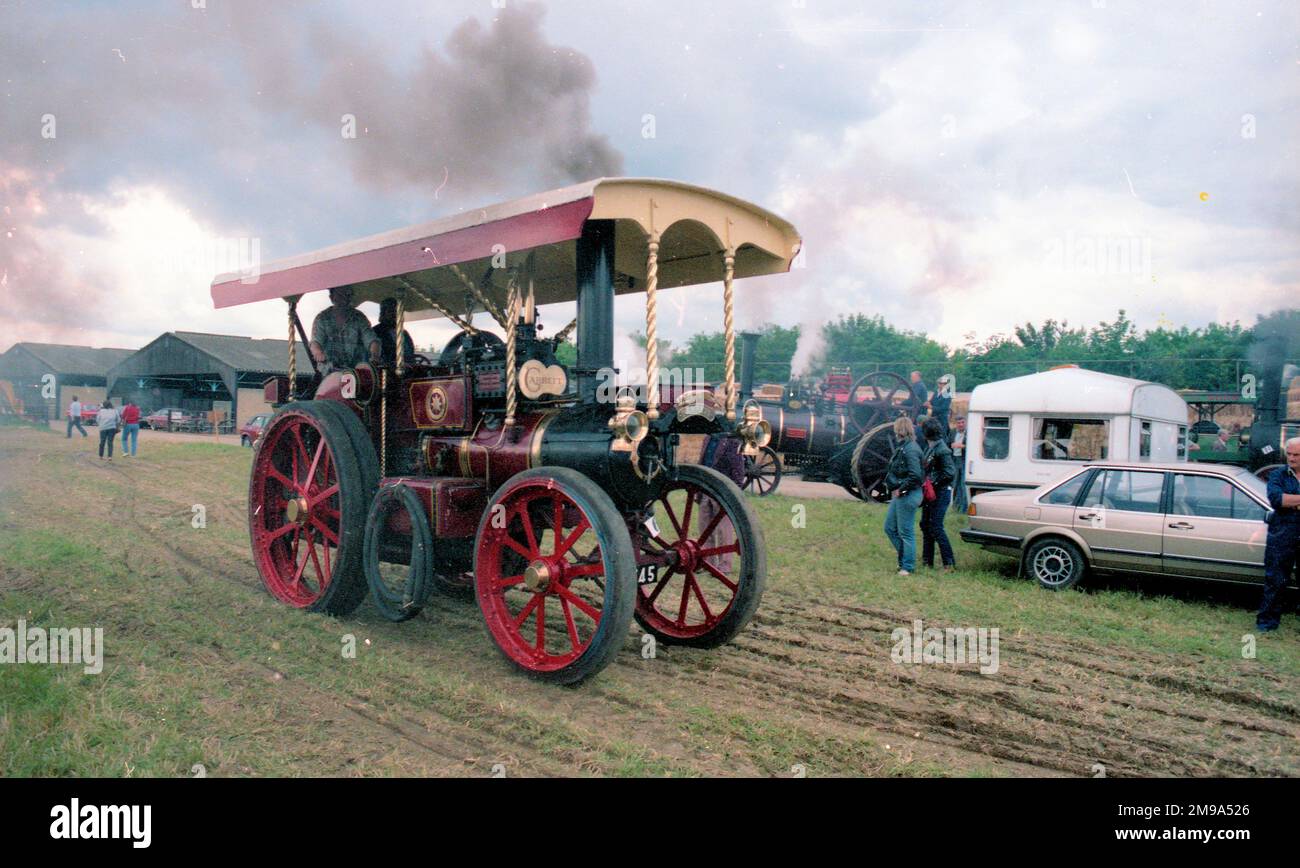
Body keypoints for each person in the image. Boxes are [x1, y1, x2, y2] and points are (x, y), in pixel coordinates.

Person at [1256, 437, 1300, 633]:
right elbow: (1276, 499)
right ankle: (1267, 623)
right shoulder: (1277, 475)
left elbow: (1286, 500)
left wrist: (1292, 501)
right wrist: (1287, 502)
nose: (1291, 458)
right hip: (1282, 533)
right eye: (1289, 454)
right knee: (1275, 579)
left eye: (1296, 455)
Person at [883, 416, 925, 576]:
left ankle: (908, 566)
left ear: (899, 430)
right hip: (904, 493)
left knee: (906, 532)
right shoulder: (907, 447)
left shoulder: (911, 449)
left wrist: (901, 489)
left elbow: (915, 475)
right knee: (889, 528)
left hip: (908, 494)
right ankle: (905, 559)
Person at [310, 286, 381, 373]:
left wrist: (374, 354)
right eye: (340, 295)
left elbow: (371, 339)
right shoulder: (322, 318)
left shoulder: (359, 318)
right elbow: (315, 342)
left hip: (355, 372)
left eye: (347, 295)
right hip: (329, 372)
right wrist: (318, 353)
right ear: (332, 298)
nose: (344, 299)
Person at [920, 416, 957, 571]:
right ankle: (927, 561)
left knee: (935, 527)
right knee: (926, 525)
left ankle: (949, 563)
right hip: (933, 492)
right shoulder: (933, 447)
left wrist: (933, 483)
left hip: (940, 493)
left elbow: (950, 473)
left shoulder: (941, 449)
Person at [376, 297, 416, 369]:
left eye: (397, 312)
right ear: (383, 313)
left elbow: (411, 354)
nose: (395, 315)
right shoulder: (376, 332)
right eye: (391, 311)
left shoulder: (404, 333)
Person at [949, 416, 969, 512]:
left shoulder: (970, 432)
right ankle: (955, 507)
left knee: (963, 484)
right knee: (955, 484)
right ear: (956, 424)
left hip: (964, 460)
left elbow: (974, 445)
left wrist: (963, 446)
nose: (961, 424)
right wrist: (951, 446)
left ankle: (964, 508)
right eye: (958, 423)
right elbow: (948, 443)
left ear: (965, 423)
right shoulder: (952, 432)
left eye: (962, 422)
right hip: (955, 460)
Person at [930, 374, 954, 438]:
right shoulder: (936, 392)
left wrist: (931, 407)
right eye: (939, 383)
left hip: (942, 419)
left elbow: (944, 408)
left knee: (942, 436)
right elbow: (931, 401)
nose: (940, 385)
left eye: (942, 383)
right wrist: (927, 403)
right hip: (934, 418)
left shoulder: (947, 395)